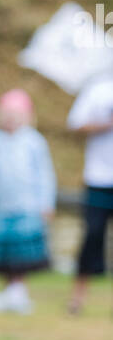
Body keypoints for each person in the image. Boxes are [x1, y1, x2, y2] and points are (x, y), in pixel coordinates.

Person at [0, 89, 56, 315]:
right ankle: (8, 292)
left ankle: (19, 291)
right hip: (0, 206)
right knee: (5, 252)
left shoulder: (34, 141)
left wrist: (46, 203)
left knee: (23, 253)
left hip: (28, 206)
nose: (11, 119)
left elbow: (45, 174)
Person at [65, 69, 113, 315]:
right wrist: (106, 123)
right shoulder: (98, 88)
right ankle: (77, 298)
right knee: (92, 237)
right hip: (99, 178)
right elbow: (75, 124)